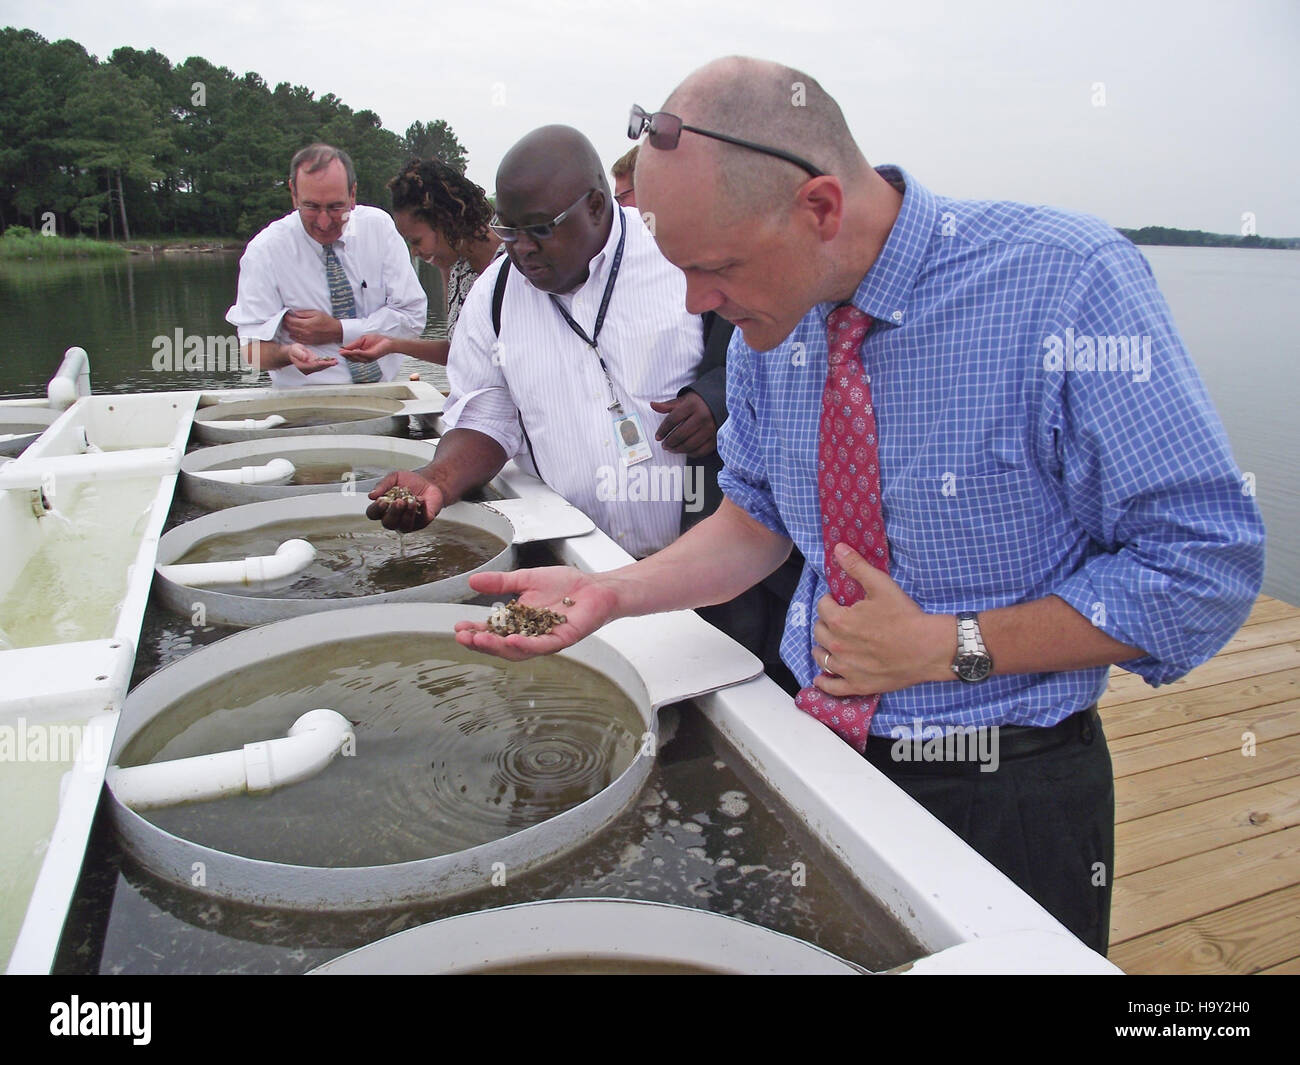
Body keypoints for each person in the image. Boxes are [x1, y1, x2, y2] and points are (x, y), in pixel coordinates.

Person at [448, 58, 1266, 955]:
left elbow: (1205, 563)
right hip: (818, 752)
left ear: (822, 208)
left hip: (1004, 780)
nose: (696, 304)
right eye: (679, 270)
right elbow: (756, 519)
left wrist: (953, 644)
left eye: (713, 268)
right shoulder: (773, 313)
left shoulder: (1067, 284)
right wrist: (619, 593)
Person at [367, 125, 725, 564]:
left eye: (539, 229)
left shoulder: (679, 252)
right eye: (510, 231)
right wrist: (438, 478)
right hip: (576, 565)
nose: (522, 250)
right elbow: (485, 416)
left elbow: (762, 357)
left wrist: (715, 401)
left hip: (703, 561)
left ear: (596, 206)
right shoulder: (494, 297)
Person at [226, 144, 426, 387]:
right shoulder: (265, 251)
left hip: (384, 395)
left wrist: (339, 330)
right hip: (302, 405)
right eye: (311, 207)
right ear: (293, 194)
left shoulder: (379, 229)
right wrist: (286, 354)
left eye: (335, 207)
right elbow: (252, 350)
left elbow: (413, 318)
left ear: (353, 194)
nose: (323, 222)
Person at [340, 158, 504, 367]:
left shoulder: (514, 263)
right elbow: (457, 351)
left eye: (416, 241)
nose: (414, 253)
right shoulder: (454, 268)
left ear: (445, 221)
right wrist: (390, 344)